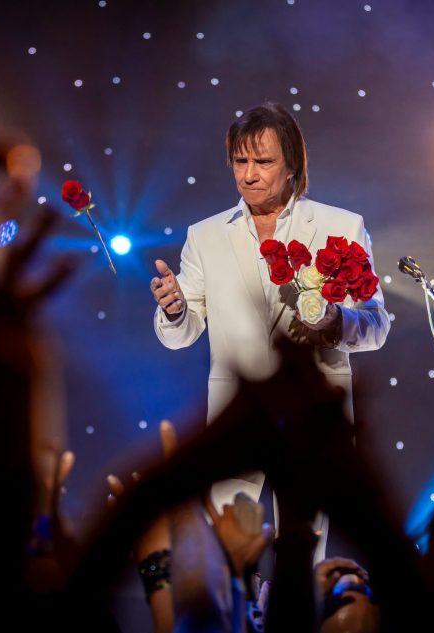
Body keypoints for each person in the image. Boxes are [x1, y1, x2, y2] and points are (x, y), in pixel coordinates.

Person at [149, 102, 391, 539]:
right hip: (234, 413)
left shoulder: (342, 226)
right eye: (240, 161)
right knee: (225, 547)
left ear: (292, 165)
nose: (249, 174)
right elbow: (181, 335)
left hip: (313, 411)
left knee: (303, 551)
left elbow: (376, 324)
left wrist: (334, 321)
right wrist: (175, 309)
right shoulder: (204, 235)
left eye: (263, 161)